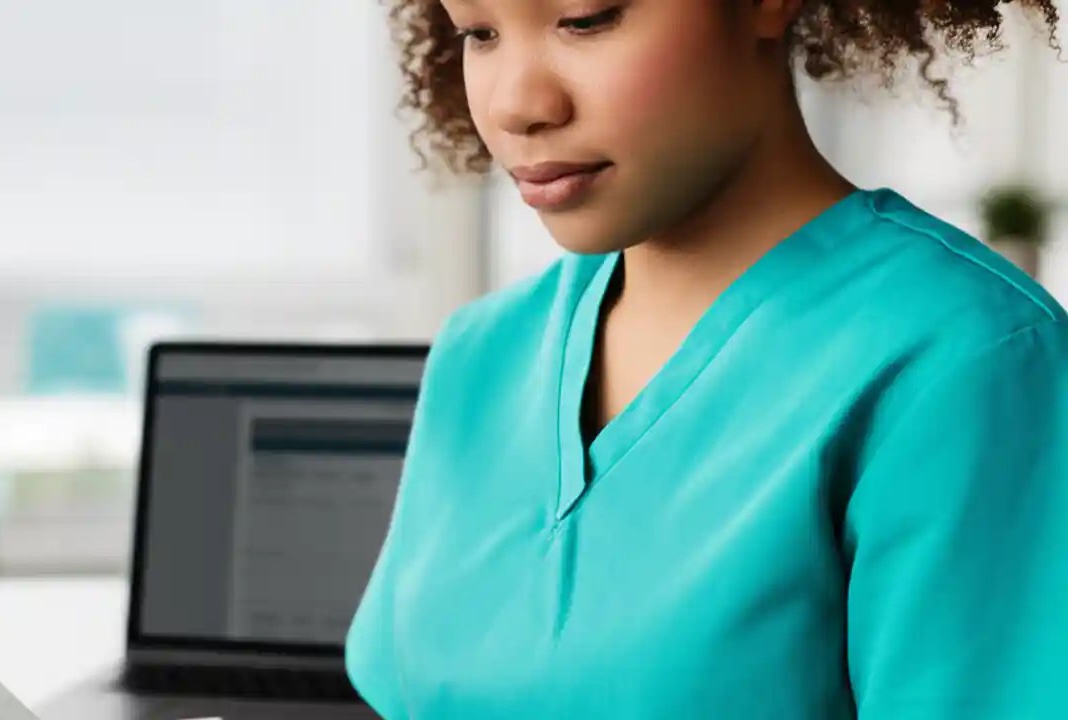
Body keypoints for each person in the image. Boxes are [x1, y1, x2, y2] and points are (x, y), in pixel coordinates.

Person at [345, 0, 1068, 717]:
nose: (517, 105)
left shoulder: (967, 361)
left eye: (587, 19)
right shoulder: (482, 354)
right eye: (479, 33)